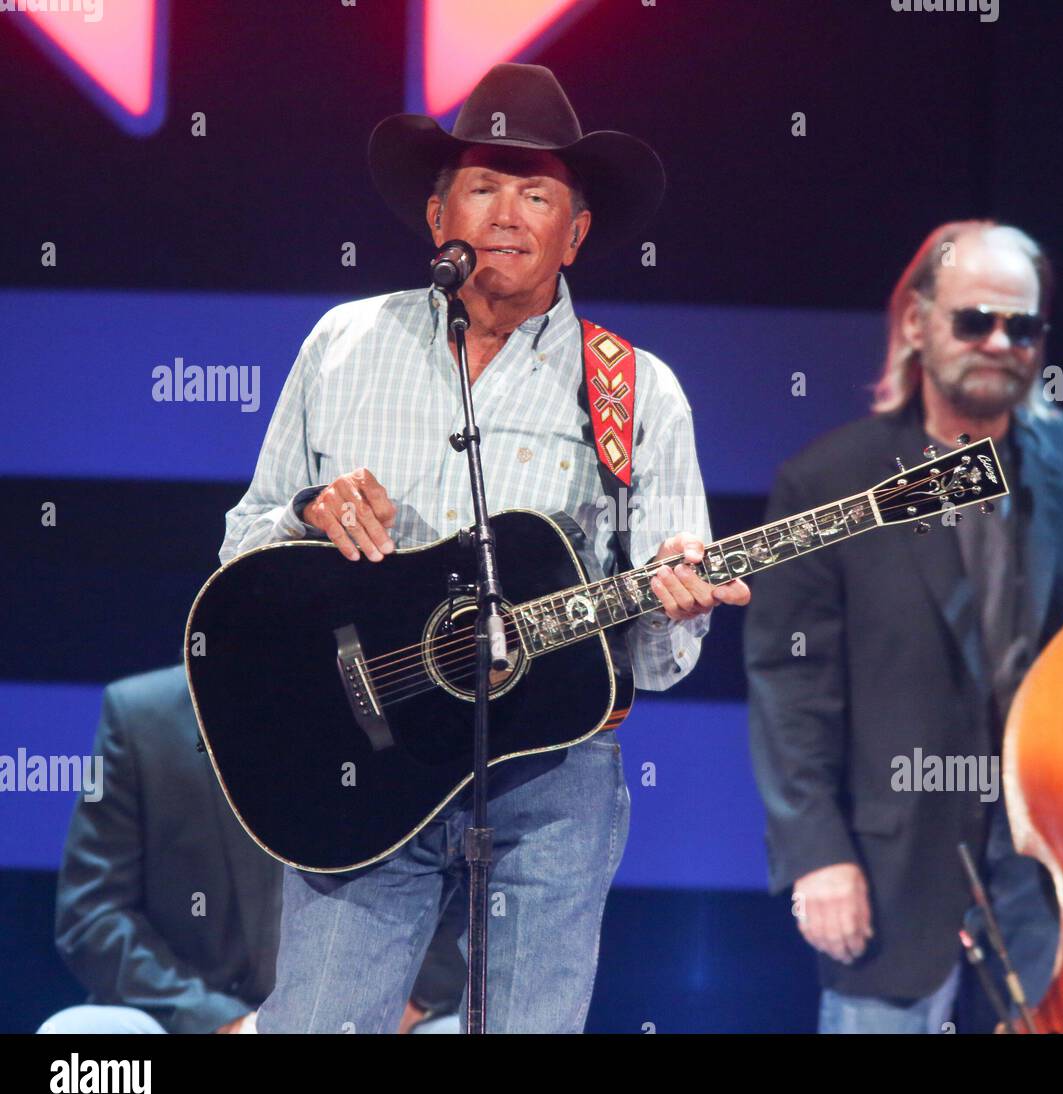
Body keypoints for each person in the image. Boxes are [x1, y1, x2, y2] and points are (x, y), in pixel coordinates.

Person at [221, 63, 749, 1034]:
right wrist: (306, 516)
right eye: (482, 185)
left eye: (537, 192)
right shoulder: (342, 345)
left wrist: (673, 599)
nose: (507, 213)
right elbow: (242, 548)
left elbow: (664, 665)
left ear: (575, 231)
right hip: (366, 755)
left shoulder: (640, 391)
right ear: (436, 215)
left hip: (550, 778)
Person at [744, 220, 1063, 1033]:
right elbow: (792, 689)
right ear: (916, 324)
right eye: (975, 320)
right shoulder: (832, 481)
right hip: (891, 875)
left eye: (1024, 326)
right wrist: (816, 854)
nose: (1000, 342)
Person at [37, 664, 465, 1034]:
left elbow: (463, 875)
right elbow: (92, 916)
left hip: (371, 1005)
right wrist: (217, 1020)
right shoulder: (140, 717)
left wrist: (409, 1003)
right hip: (196, 1018)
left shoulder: (395, 706)